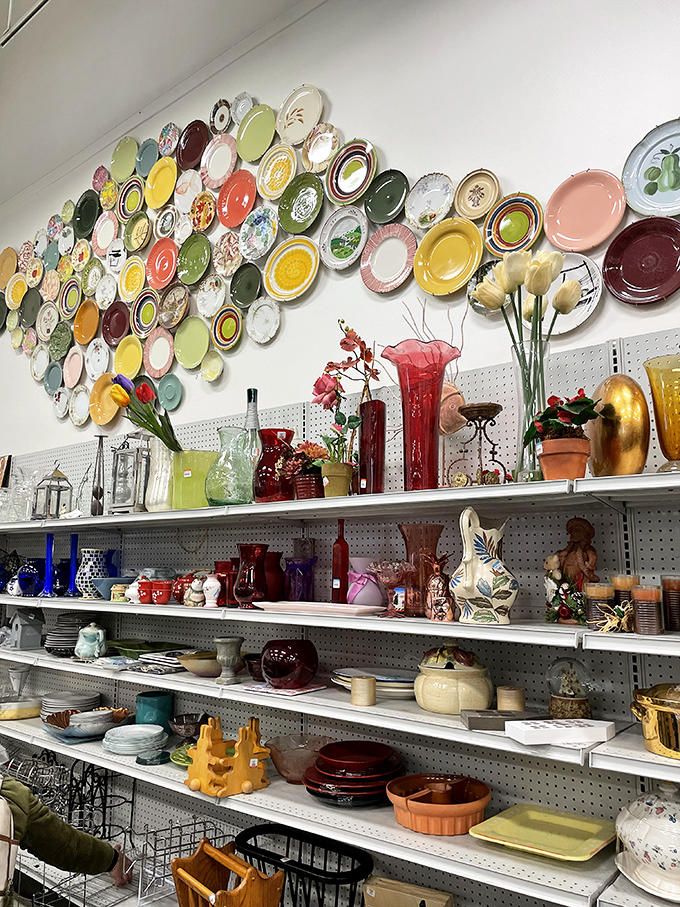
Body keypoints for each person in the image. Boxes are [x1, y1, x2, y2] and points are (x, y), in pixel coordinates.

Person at [0, 775, 132, 902]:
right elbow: (62, 844)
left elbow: (60, 843)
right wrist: (111, 859)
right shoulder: (11, 795)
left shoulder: (12, 795)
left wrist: (111, 859)